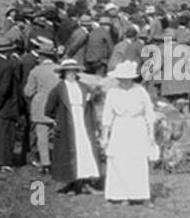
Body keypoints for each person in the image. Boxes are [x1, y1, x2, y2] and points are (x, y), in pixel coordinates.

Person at [100, 60, 157, 204]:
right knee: (119, 161)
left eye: (127, 79)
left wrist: (151, 134)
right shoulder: (113, 92)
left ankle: (140, 195)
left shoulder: (140, 91)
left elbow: (149, 113)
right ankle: (121, 195)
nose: (124, 82)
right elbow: (107, 115)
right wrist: (105, 136)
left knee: (137, 161)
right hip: (120, 128)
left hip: (137, 128)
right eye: (121, 79)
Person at [44, 58, 101, 194]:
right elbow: (49, 109)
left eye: (73, 71)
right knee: (69, 153)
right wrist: (58, 120)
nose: (71, 74)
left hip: (83, 122)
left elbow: (91, 108)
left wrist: (94, 124)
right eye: (68, 71)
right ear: (63, 73)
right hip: (67, 124)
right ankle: (72, 184)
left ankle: (86, 182)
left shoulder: (83, 87)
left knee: (85, 151)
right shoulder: (58, 89)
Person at [23, 38, 61, 173]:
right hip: (57, 106)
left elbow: (28, 92)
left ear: (42, 56)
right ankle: (59, 159)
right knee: (59, 135)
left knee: (42, 136)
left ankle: (45, 162)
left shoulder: (35, 71)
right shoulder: (59, 69)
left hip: (40, 106)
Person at [0, 32, 21, 169]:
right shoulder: (8, 65)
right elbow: (5, 87)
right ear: (9, 50)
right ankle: (5, 162)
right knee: (6, 133)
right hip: (5, 104)